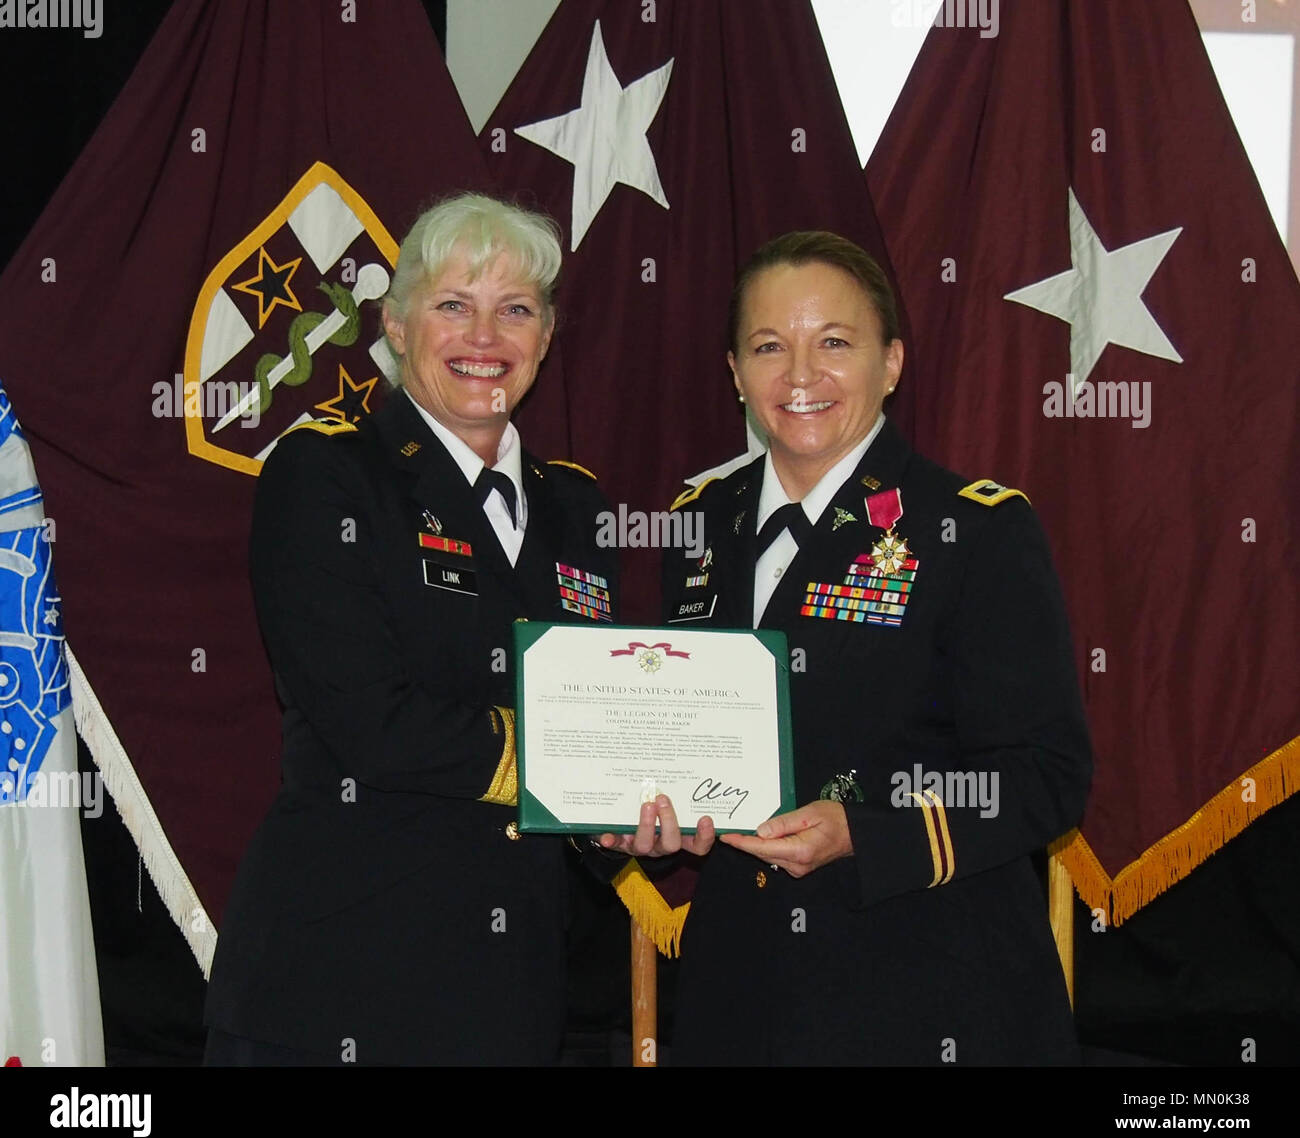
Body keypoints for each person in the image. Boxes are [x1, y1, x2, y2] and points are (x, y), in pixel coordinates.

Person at [644, 230, 1092, 1065]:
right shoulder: (696, 521)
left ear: (891, 363)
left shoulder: (975, 530)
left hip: (926, 988)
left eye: (835, 343)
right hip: (741, 994)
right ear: (735, 371)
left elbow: (1047, 775)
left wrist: (865, 833)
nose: (801, 375)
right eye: (769, 346)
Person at [204, 193, 619, 1065]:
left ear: (546, 336)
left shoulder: (577, 507)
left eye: (515, 308)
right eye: (453, 305)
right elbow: (371, 725)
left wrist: (630, 812)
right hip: (340, 984)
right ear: (395, 327)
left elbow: (601, 695)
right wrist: (585, 766)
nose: (485, 336)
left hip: (513, 997)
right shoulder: (326, 475)